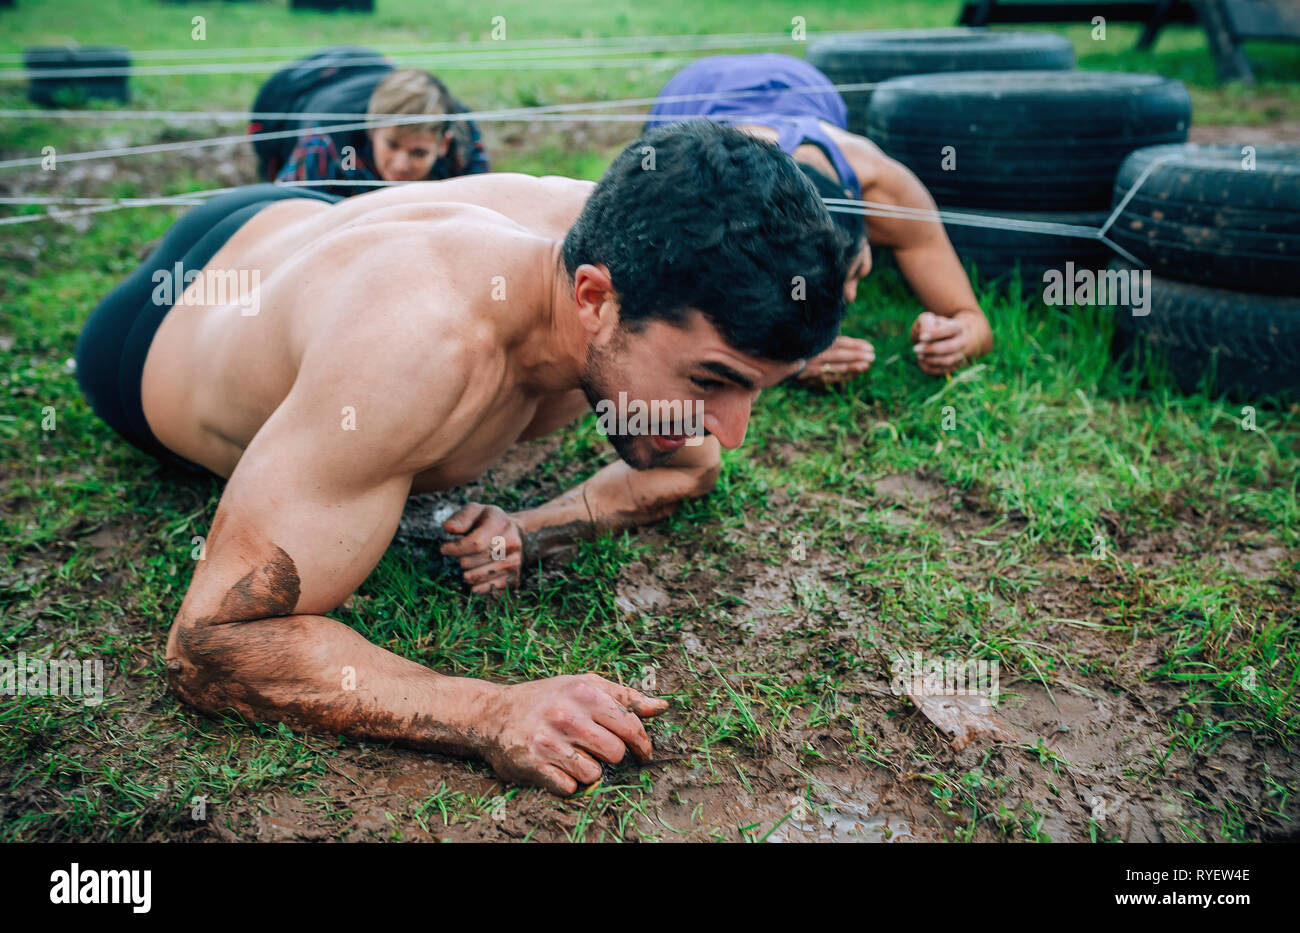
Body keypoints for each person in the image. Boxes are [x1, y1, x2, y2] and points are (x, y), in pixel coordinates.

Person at [74, 123, 853, 795]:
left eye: (754, 388)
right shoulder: (414, 350)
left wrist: (532, 527)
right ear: (593, 300)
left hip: (303, 220)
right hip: (153, 333)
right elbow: (211, 643)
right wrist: (488, 710)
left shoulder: (634, 238)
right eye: (713, 381)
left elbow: (694, 466)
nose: (733, 429)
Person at [646, 53, 993, 382]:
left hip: (797, 80)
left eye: (858, 270)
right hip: (695, 89)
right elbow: (667, 336)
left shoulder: (890, 190)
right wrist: (787, 363)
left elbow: (972, 319)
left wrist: (960, 337)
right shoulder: (705, 206)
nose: (850, 296)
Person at [249, 46, 489, 195]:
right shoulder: (327, 142)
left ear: (443, 145)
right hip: (297, 99)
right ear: (373, 131)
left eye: (418, 153)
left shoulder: (464, 140)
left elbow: (481, 212)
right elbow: (285, 211)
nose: (401, 165)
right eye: (392, 145)